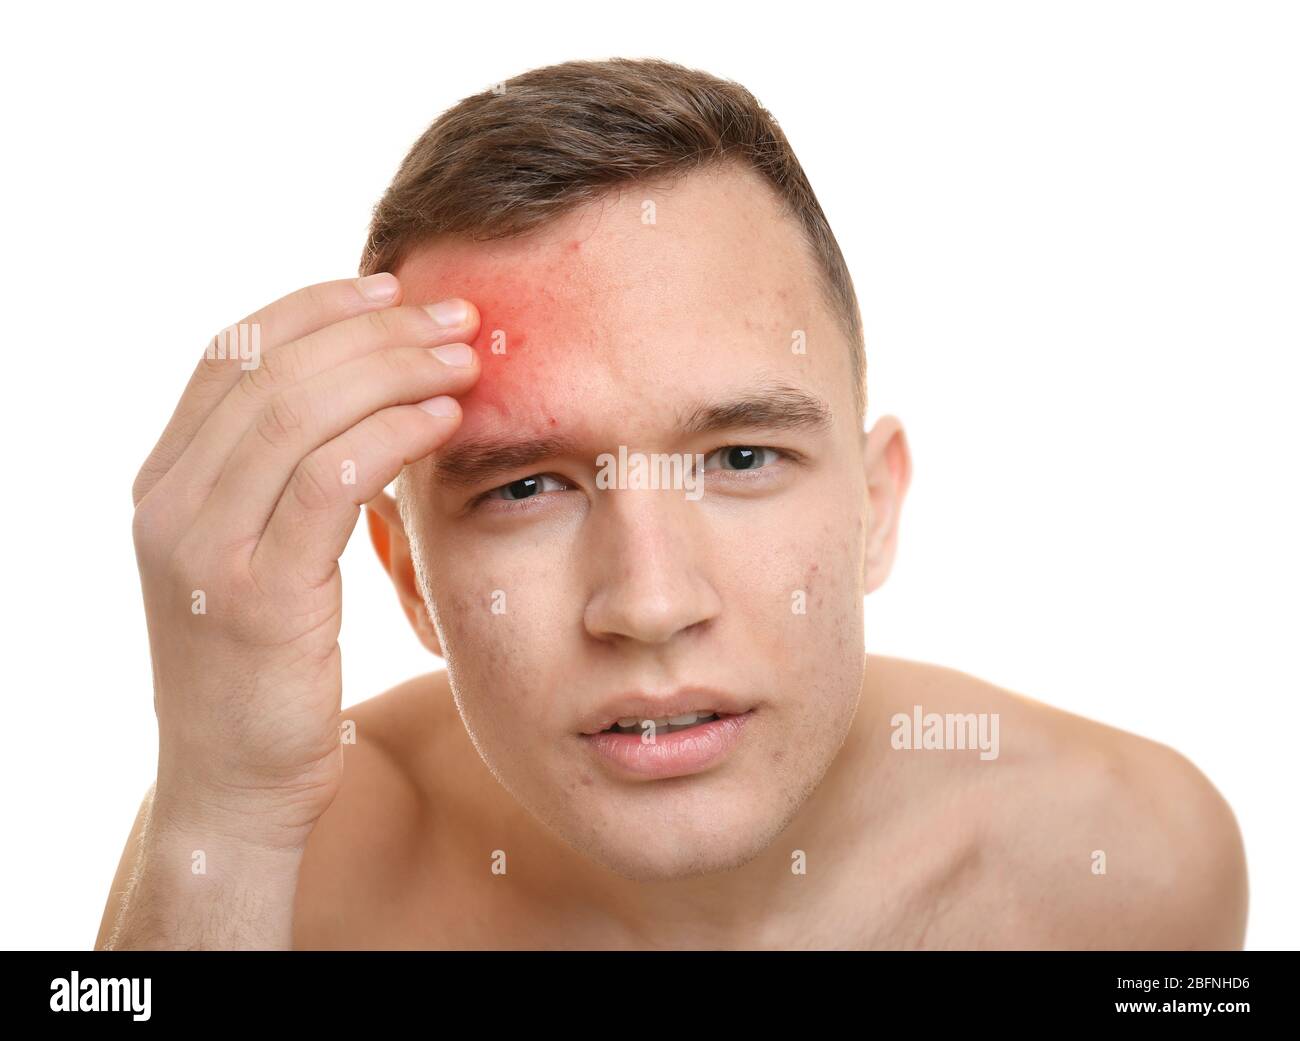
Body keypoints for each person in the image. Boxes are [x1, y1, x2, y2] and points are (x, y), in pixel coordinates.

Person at [95, 57, 1247, 950]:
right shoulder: (280, 865)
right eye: (528, 486)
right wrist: (222, 805)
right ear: (407, 578)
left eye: (740, 459)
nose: (648, 605)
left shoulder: (1128, 858)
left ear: (876, 508)